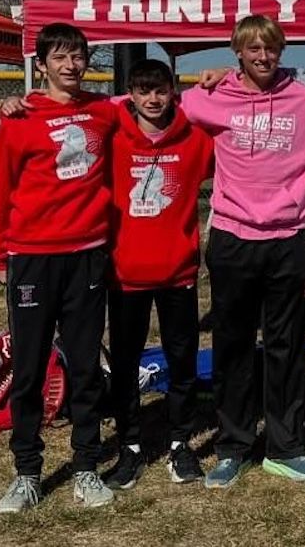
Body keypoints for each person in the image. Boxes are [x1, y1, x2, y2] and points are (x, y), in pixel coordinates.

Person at [183, 15, 305, 487]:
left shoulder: (302, 96)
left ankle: (285, 447)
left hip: (287, 238)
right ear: (238, 52)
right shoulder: (212, 95)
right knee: (233, 345)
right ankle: (233, 447)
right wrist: (219, 78)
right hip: (233, 237)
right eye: (254, 49)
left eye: (271, 48)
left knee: (287, 346)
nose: (264, 57)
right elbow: (153, 104)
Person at [0, 22, 119, 513]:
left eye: (78, 56)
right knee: (28, 369)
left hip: (87, 256)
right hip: (33, 257)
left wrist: (214, 77)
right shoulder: (20, 118)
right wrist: (1, 254)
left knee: (85, 367)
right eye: (60, 57)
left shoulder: (104, 112)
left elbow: (156, 106)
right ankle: (27, 472)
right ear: (41, 65)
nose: (71, 65)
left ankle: (86, 466)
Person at [100, 59, 215, 489]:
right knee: (125, 362)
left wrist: (222, 75)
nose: (153, 99)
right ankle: (130, 445)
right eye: (143, 91)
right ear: (130, 95)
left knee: (182, 360)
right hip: (126, 273)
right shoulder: (113, 137)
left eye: (160, 90)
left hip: (177, 272)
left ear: (173, 93)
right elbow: (91, 107)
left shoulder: (194, 138)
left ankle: (180, 442)